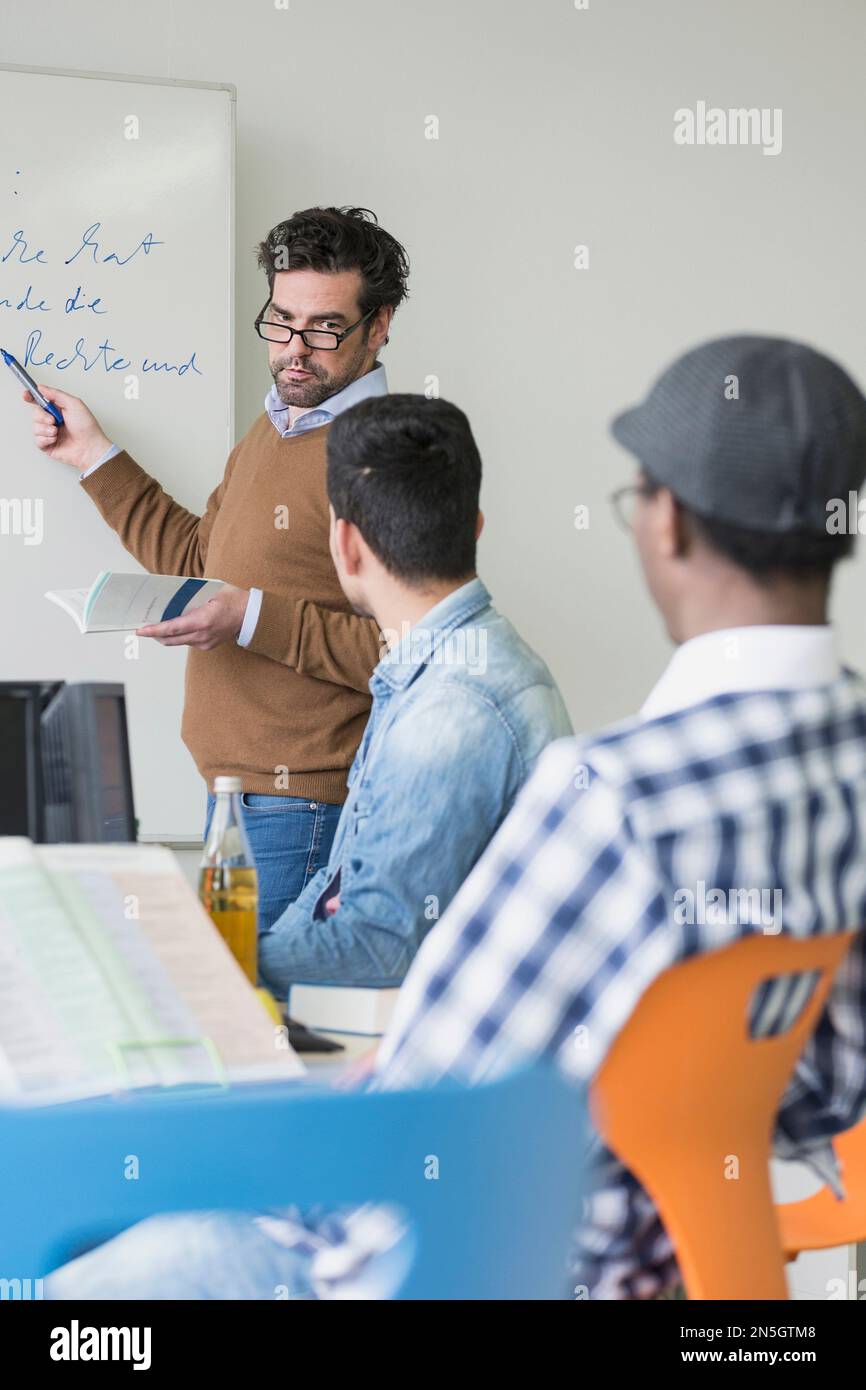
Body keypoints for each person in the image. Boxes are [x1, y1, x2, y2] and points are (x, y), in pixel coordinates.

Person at [47, 334, 866, 1302]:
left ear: (668, 527)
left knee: (71, 1275)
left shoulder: (611, 800)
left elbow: (417, 1133)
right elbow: (819, 1089)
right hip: (651, 1251)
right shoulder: (836, 762)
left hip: (455, 1258)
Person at [26, 206, 408, 931]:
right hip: (232, 794)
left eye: (324, 327)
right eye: (281, 320)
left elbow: (407, 649)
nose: (295, 349)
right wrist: (91, 455)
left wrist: (250, 617)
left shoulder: (383, 456)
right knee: (235, 1014)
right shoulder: (274, 428)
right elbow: (202, 564)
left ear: (378, 325)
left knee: (257, 1020)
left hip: (302, 808)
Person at [257, 393, 572, 992]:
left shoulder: (452, 708)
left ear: (345, 544)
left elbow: (376, 948)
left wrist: (197, 967)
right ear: (475, 527)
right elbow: (336, 886)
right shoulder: (437, 666)